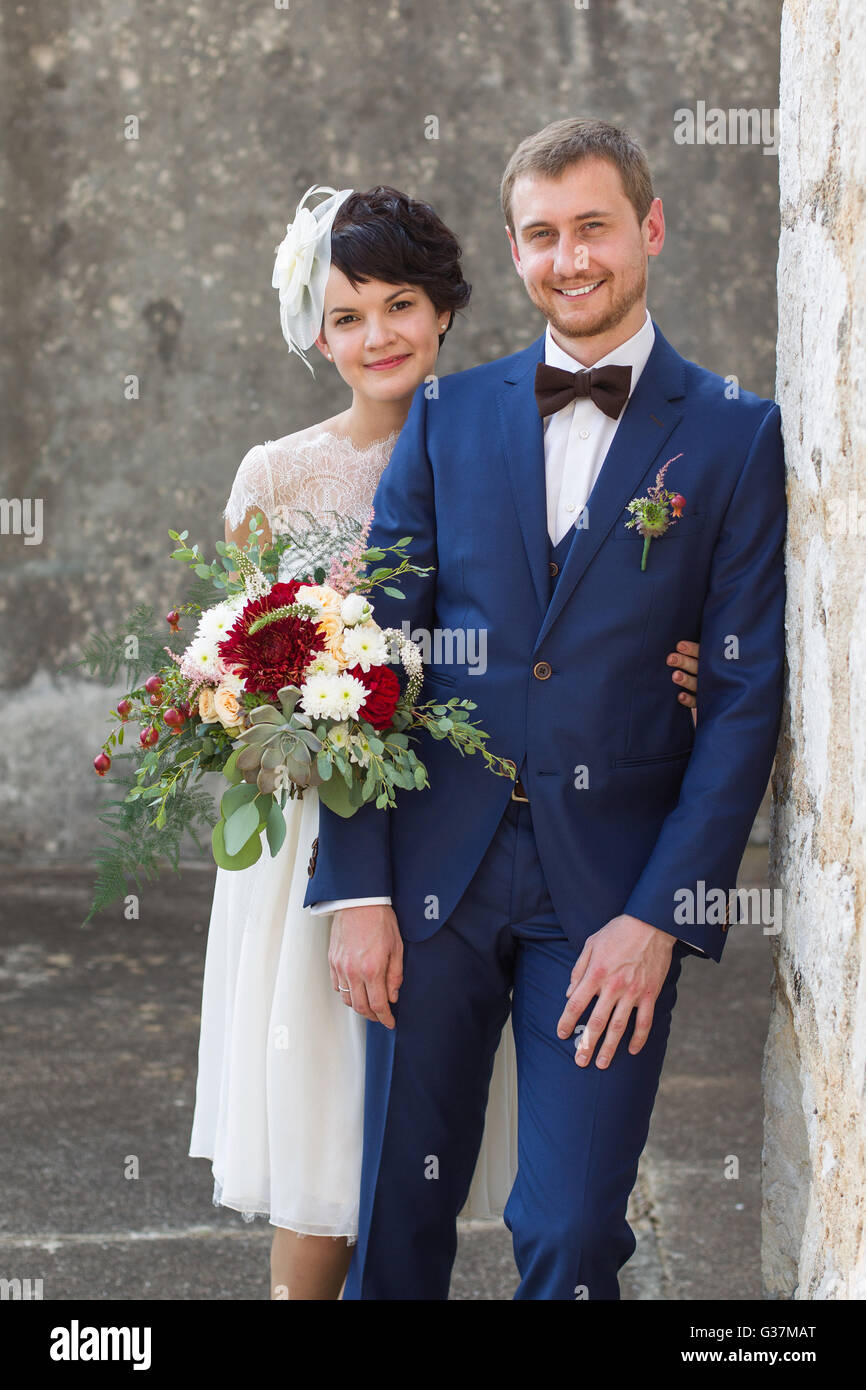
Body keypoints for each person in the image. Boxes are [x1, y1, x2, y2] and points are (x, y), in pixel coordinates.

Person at [189, 180, 702, 1301]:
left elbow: (588, 619)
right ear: (314, 333)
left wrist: (684, 667)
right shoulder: (278, 475)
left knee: (499, 1185)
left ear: (444, 307)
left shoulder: (497, 423)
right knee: (329, 1165)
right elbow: (228, 666)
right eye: (344, 316)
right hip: (337, 856)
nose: (375, 334)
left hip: (481, 841)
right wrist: (279, 705)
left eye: (398, 304)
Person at [305, 117, 786, 1301]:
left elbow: (740, 698)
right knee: (395, 1217)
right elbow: (370, 656)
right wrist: (360, 886)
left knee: (571, 1230)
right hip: (433, 876)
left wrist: (659, 918)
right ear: (514, 253)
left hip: (608, 895)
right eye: (539, 236)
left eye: (592, 229)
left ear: (649, 229)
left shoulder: (734, 433)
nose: (568, 259)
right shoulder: (447, 414)